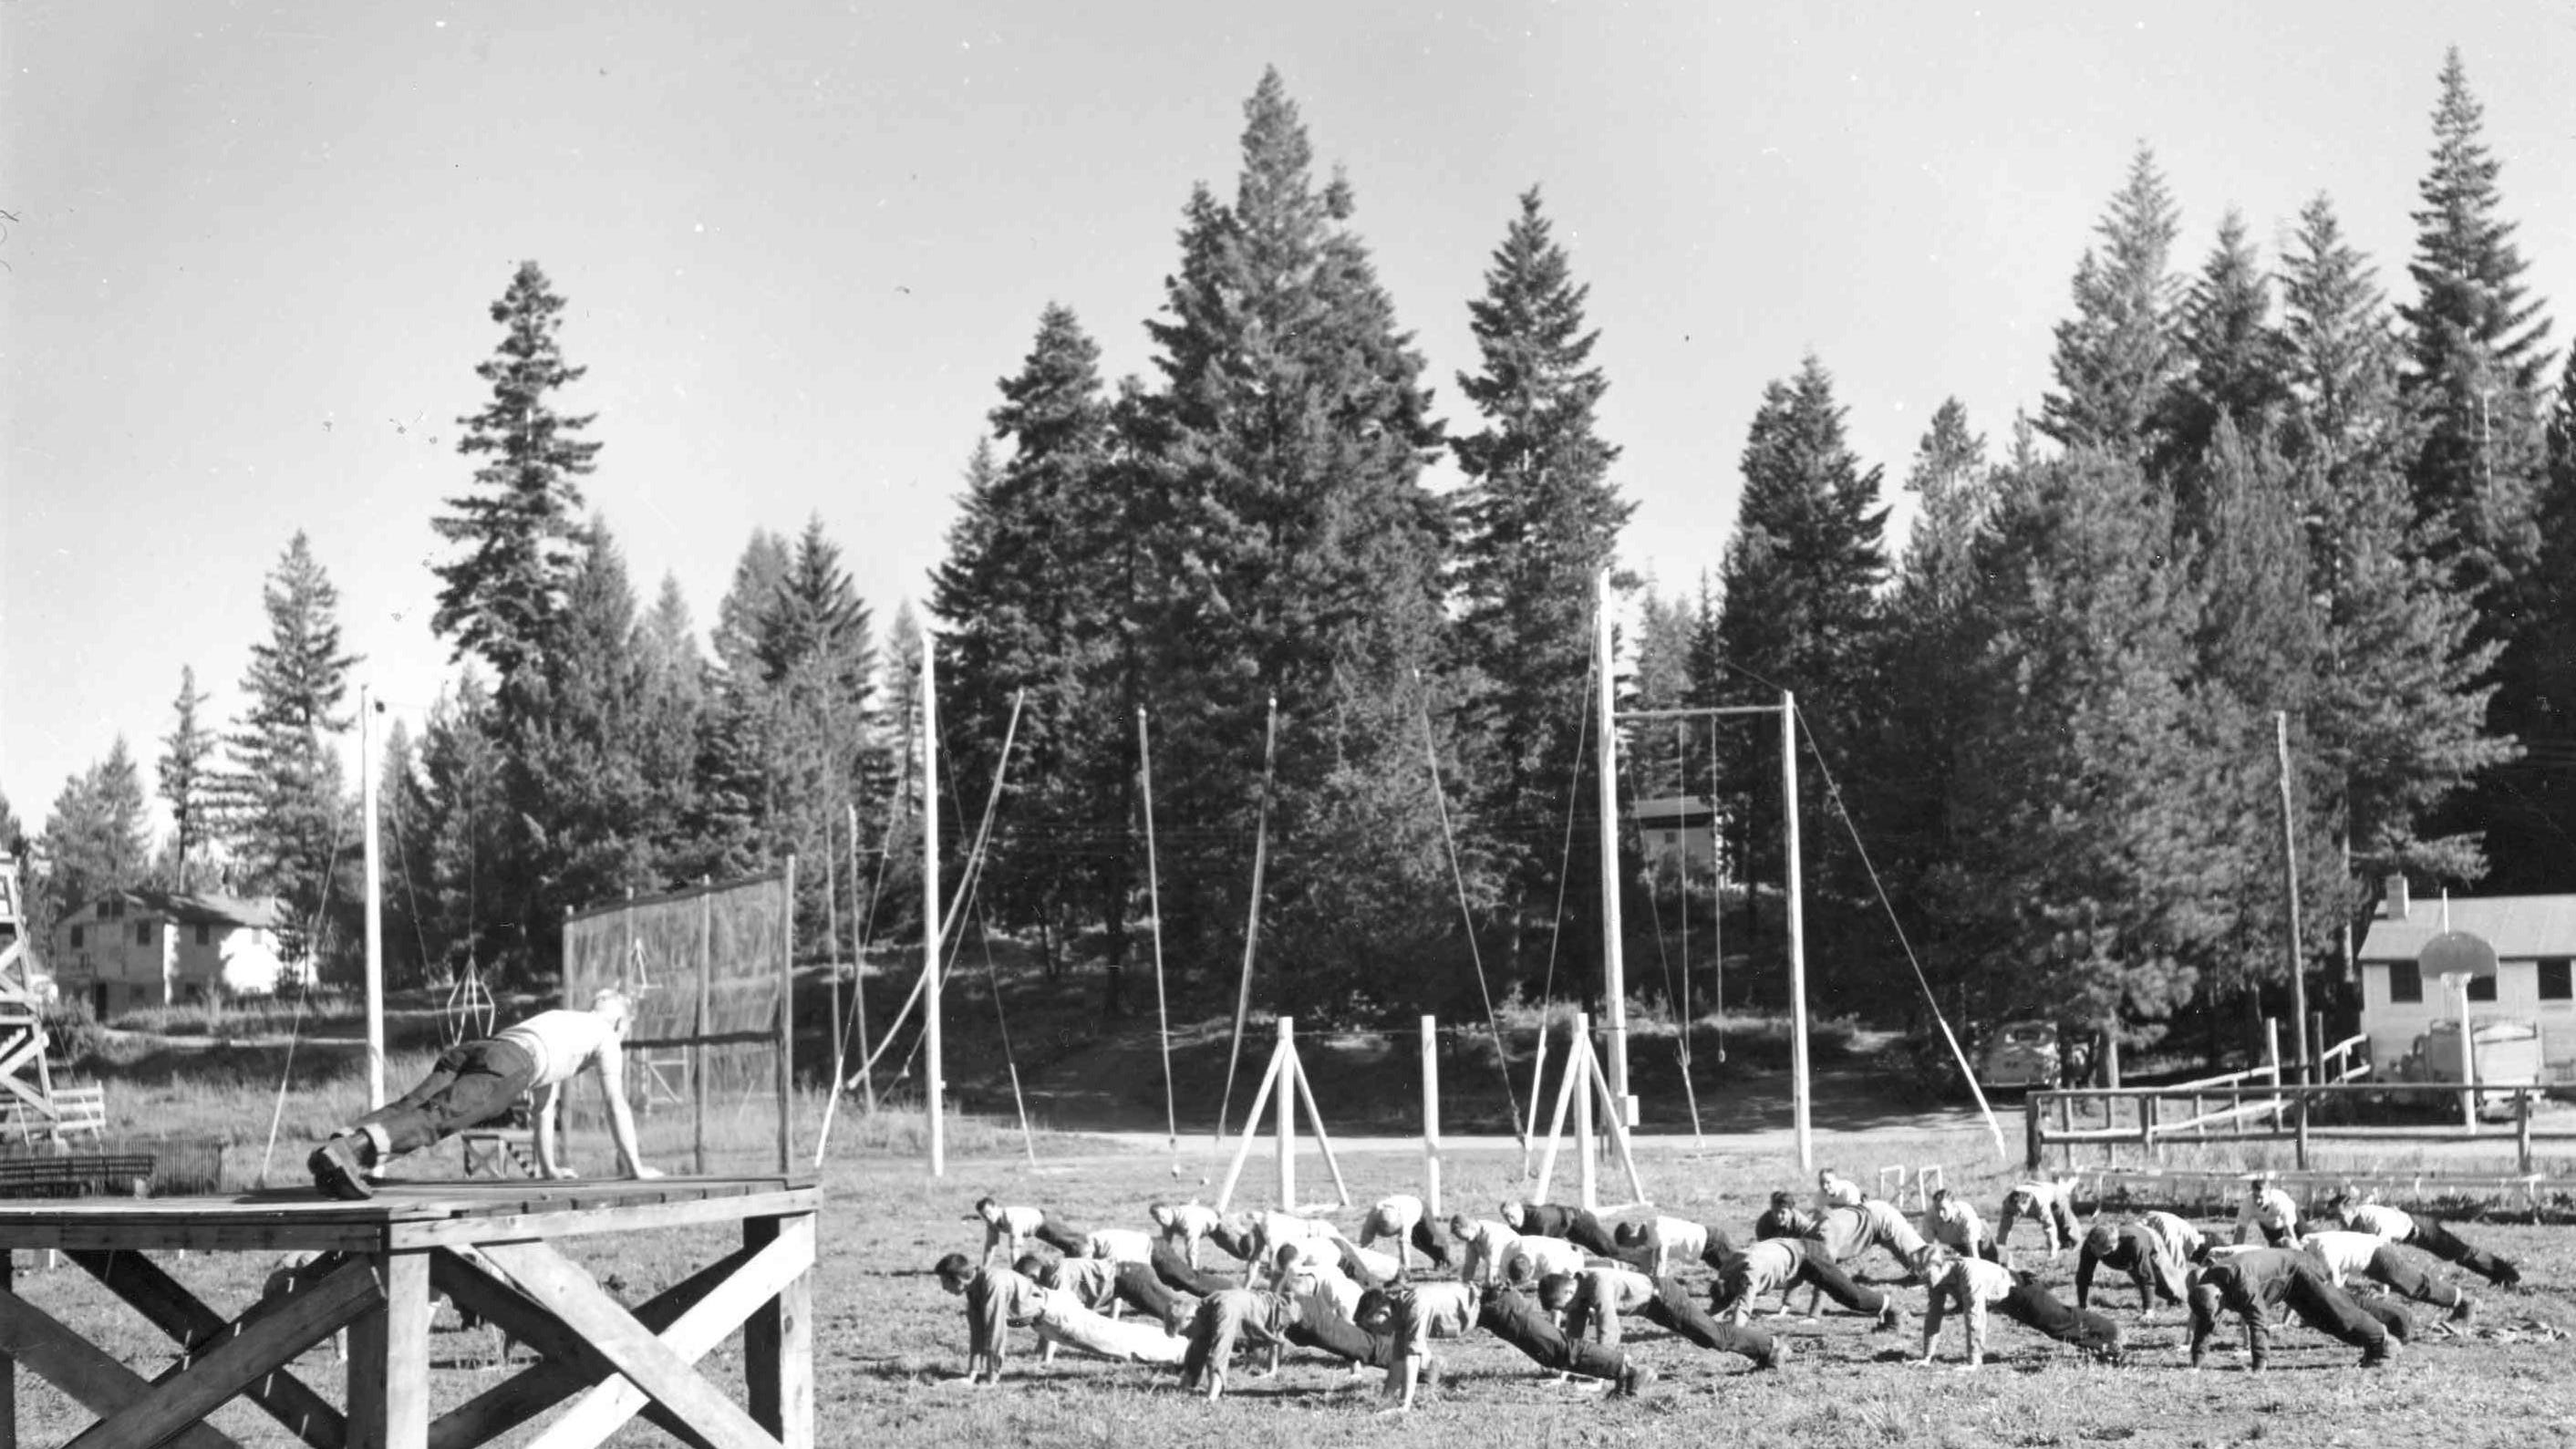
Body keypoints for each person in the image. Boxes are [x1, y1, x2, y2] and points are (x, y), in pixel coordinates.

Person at [307, 988, 658, 1200]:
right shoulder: (606, 1034)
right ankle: (350, 1153)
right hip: (513, 1062)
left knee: (413, 1106)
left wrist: (549, 1169)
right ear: (620, 1023)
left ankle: (336, 1150)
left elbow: (542, 1109)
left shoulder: (562, 1021)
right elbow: (616, 1104)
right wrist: (636, 1168)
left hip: (481, 1047)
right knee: (440, 1117)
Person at [1366, 1281, 1652, 1411]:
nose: (1376, 1333)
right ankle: (1623, 1372)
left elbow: (1414, 1359)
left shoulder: (1414, 1306)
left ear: (1381, 1313)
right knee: (1553, 1354)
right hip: (1489, 1311)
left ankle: (1627, 1369)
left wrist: (1404, 1406)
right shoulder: (1400, 1308)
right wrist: (1386, 1400)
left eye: (1372, 1327)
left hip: (1498, 1305)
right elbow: (1399, 1360)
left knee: (1558, 1351)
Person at [935, 1252, 1187, 1382]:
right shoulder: (975, 1288)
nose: (943, 1289)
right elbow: (980, 1332)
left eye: (944, 1283)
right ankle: (1183, 1349)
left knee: (1117, 1342)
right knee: (1114, 1338)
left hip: (1058, 1314)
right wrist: (971, 1374)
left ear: (955, 1279)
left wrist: (991, 1377)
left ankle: (1185, 1351)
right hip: (1046, 1320)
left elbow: (995, 1332)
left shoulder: (992, 1282)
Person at [2186, 1248, 2395, 1371]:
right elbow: (2206, 1322)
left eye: (2219, 1308)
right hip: (2285, 1284)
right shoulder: (2205, 1285)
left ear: (2219, 1296)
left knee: (2340, 1314)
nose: (2219, 1312)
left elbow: (2258, 1322)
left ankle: (2384, 1343)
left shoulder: (2241, 1282)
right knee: (2321, 1321)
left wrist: (2259, 1365)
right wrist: (2196, 1364)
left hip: (2299, 1268)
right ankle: (2375, 1343)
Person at [1547, 1266, 1785, 1369]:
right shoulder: (1576, 1293)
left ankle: (1771, 1347)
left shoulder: (1596, 1283)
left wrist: (1598, 1376)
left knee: (1714, 1335)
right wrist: (1565, 1373)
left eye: (1563, 1306)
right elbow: (1574, 1336)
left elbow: (1608, 1330)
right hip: (1653, 1306)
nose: (1566, 1311)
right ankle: (1764, 1354)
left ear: (1569, 1290)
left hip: (1665, 1296)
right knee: (1706, 1339)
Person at [1914, 1252, 2123, 1370]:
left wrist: (1973, 1362)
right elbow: (1933, 1316)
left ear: (1941, 1265)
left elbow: (1975, 1316)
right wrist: (1926, 1357)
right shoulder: (1937, 1280)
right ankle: (2102, 1346)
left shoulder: (1968, 1273)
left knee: (2059, 1320)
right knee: (2053, 1329)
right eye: (1919, 1275)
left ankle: (2109, 1332)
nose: (1922, 1279)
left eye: (1925, 1274)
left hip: (2020, 1290)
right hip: (2005, 1300)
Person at [2327, 1191, 2522, 1288]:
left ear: (2352, 1209)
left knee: (2462, 1254)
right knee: (2460, 1255)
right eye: (2336, 1217)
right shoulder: (2356, 1218)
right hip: (2414, 1230)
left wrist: (2383, 1287)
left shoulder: (2373, 1219)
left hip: (2422, 1230)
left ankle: (2507, 1274)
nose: (2340, 1221)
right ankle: (2499, 1276)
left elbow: (2382, 1252)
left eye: (2341, 1215)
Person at [1710, 1237, 1901, 1330]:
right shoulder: (1727, 1269)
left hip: (1808, 1255)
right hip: (1793, 1250)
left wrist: (1729, 1337)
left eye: (1733, 1296)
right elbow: (1719, 1305)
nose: (1735, 1298)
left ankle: (1892, 1308)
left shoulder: (1748, 1276)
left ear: (1734, 1286)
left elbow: (1742, 1313)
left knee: (1851, 1297)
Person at [2300, 1229, 2477, 1323]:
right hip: (2373, 1257)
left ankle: (2465, 1303)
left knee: (2415, 1286)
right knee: (2414, 1287)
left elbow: (2335, 1288)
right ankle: (2460, 1302)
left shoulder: (2322, 1251)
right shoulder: (2309, 1241)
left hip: (2380, 1256)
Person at [1018, 1253, 1188, 1337]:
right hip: (1127, 1282)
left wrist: (1045, 1359)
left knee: (1179, 1315)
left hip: (1131, 1277)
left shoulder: (1056, 1274)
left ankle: (1203, 1341)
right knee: (1172, 1316)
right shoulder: (1054, 1271)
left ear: (1032, 1276)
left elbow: (1057, 1314)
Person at [1179, 1287, 1304, 1399]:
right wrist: (1186, 1384)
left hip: (1301, 1311)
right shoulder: (1204, 1310)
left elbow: (1221, 1350)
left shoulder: (1224, 1309)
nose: (1189, 1337)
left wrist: (1211, 1396)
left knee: (1321, 1336)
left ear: (1189, 1318)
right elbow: (1199, 1344)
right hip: (1275, 1317)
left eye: (1187, 1331)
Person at [2074, 1222, 2189, 1318]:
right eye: (2092, 1248)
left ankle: (2187, 1298)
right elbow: (2083, 1276)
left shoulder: (2134, 1244)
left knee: (2170, 1286)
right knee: (2149, 1285)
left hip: (2150, 1242)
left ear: (2111, 1247)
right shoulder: (2091, 1245)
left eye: (2097, 1250)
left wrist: (2148, 1312)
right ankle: (2166, 1300)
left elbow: (2146, 1277)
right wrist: (2082, 1306)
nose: (2092, 1252)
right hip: (2126, 1258)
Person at [972, 1197, 1089, 1266]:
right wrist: (984, 1269)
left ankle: (1090, 1252)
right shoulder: (991, 1223)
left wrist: (1016, 1272)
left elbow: (1015, 1249)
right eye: (984, 1216)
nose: (987, 1217)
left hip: (1044, 1222)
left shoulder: (1011, 1218)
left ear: (996, 1208)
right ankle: (1077, 1262)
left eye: (989, 1213)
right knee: (1067, 1249)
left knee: (1073, 1243)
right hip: (1037, 1231)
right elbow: (990, 1247)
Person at [1355, 1194, 1453, 1270]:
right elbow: (1365, 1245)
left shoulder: (1404, 1217)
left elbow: (1404, 1243)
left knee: (1431, 1238)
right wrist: (1368, 1268)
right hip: (1401, 1208)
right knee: (1416, 1242)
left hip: (1420, 1208)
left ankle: (1446, 1260)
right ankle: (1438, 1260)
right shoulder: (1373, 1216)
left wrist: (1405, 1269)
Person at [1994, 1176, 2085, 1260]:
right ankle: (2063, 1244)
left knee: (2065, 1219)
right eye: (2017, 1209)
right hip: (2034, 1188)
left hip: (2054, 1194)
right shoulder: (2007, 1205)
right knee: (2058, 1230)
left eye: (2021, 1209)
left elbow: (2049, 1225)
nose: (2019, 1213)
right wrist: (2000, 1249)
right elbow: (2004, 1228)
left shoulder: (2040, 1201)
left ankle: (2077, 1243)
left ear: (2029, 1201)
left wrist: (2053, 1250)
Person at [1612, 1215, 1732, 1277]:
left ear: (1633, 1235)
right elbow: (1645, 1264)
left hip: (1714, 1242)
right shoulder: (1646, 1237)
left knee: (1738, 1271)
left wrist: (1657, 1288)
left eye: (1631, 1245)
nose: (1634, 1249)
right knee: (1731, 1275)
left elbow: (1661, 1264)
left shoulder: (1656, 1231)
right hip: (1706, 1251)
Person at [1503, 1199, 1625, 1258]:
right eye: (1506, 1217)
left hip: (1580, 1221)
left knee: (1610, 1251)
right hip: (1568, 1230)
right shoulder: (1518, 1222)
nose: (1510, 1221)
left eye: (1512, 1216)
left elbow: (1541, 1249)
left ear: (1520, 1211)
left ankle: (1633, 1264)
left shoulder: (1539, 1220)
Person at [1919, 1186, 1999, 1263]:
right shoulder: (1930, 1216)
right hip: (1955, 1244)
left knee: (1990, 1270)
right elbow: (1927, 1248)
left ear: (1953, 1206)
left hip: (1980, 1241)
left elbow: (1974, 1255)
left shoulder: (1966, 1216)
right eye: (1937, 1209)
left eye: (1944, 1209)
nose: (1940, 1214)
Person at [1150, 1200, 1227, 1268]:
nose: (1161, 1221)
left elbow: (1192, 1247)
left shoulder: (1187, 1220)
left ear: (1169, 1210)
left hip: (1221, 1225)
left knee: (1237, 1250)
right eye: (1157, 1220)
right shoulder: (1167, 1222)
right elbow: (1165, 1247)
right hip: (1205, 1229)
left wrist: (1193, 1272)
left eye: (1162, 1217)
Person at [2233, 1175, 2301, 1247]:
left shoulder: (2280, 1201)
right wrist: (2234, 1254)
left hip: (2294, 1223)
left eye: (2261, 1197)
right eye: (2255, 1196)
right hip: (2270, 1226)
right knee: (2275, 1252)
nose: (2258, 1201)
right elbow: (2240, 1232)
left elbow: (2289, 1233)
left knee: (2302, 1246)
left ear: (2269, 1194)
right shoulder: (2248, 1203)